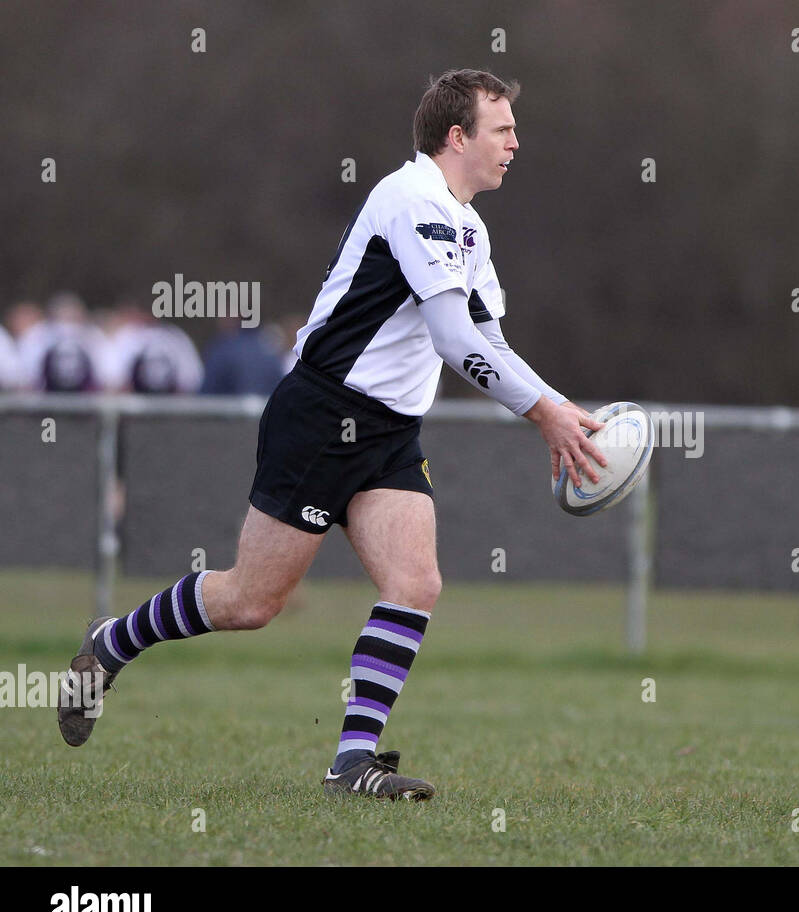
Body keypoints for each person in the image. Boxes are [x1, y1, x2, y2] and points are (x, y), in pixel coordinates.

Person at [58, 69, 607, 801]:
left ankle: (351, 762)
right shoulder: (411, 200)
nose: (516, 142)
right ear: (457, 136)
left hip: (388, 432)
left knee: (415, 584)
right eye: (502, 129)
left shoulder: (468, 225)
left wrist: (558, 407)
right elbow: (451, 338)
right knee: (251, 603)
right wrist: (541, 413)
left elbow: (488, 340)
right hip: (320, 415)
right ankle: (111, 642)